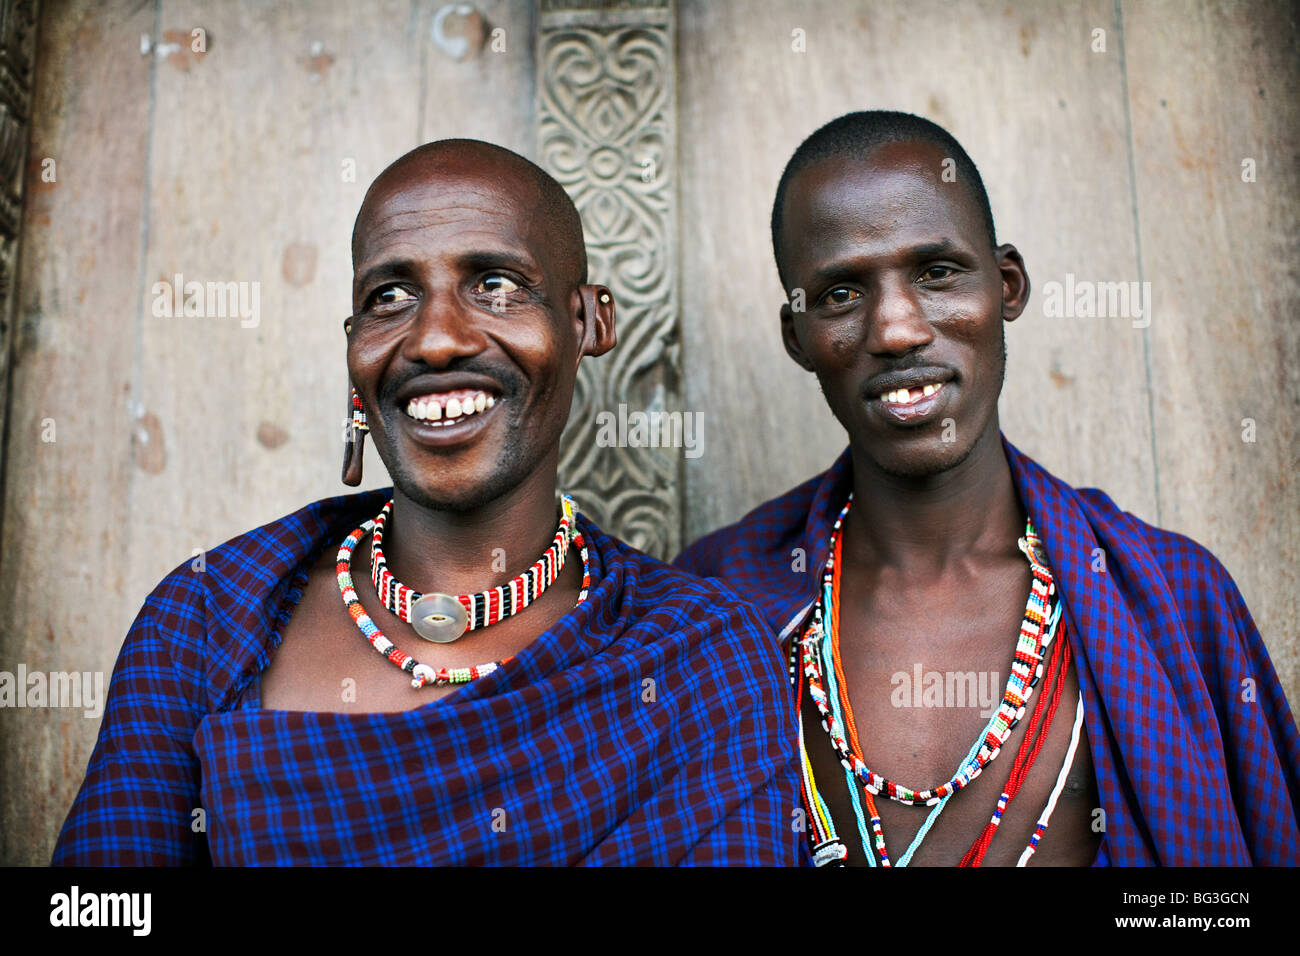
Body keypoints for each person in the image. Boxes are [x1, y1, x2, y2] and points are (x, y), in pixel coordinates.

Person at [53, 139, 800, 866]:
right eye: (391, 297)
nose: (436, 338)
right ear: (355, 352)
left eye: (496, 284)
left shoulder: (699, 656)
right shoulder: (208, 617)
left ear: (585, 324)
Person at [676, 111, 1300, 866]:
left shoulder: (1171, 597)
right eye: (841, 294)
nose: (897, 329)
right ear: (797, 336)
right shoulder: (714, 604)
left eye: (937, 273)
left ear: (1006, 286)